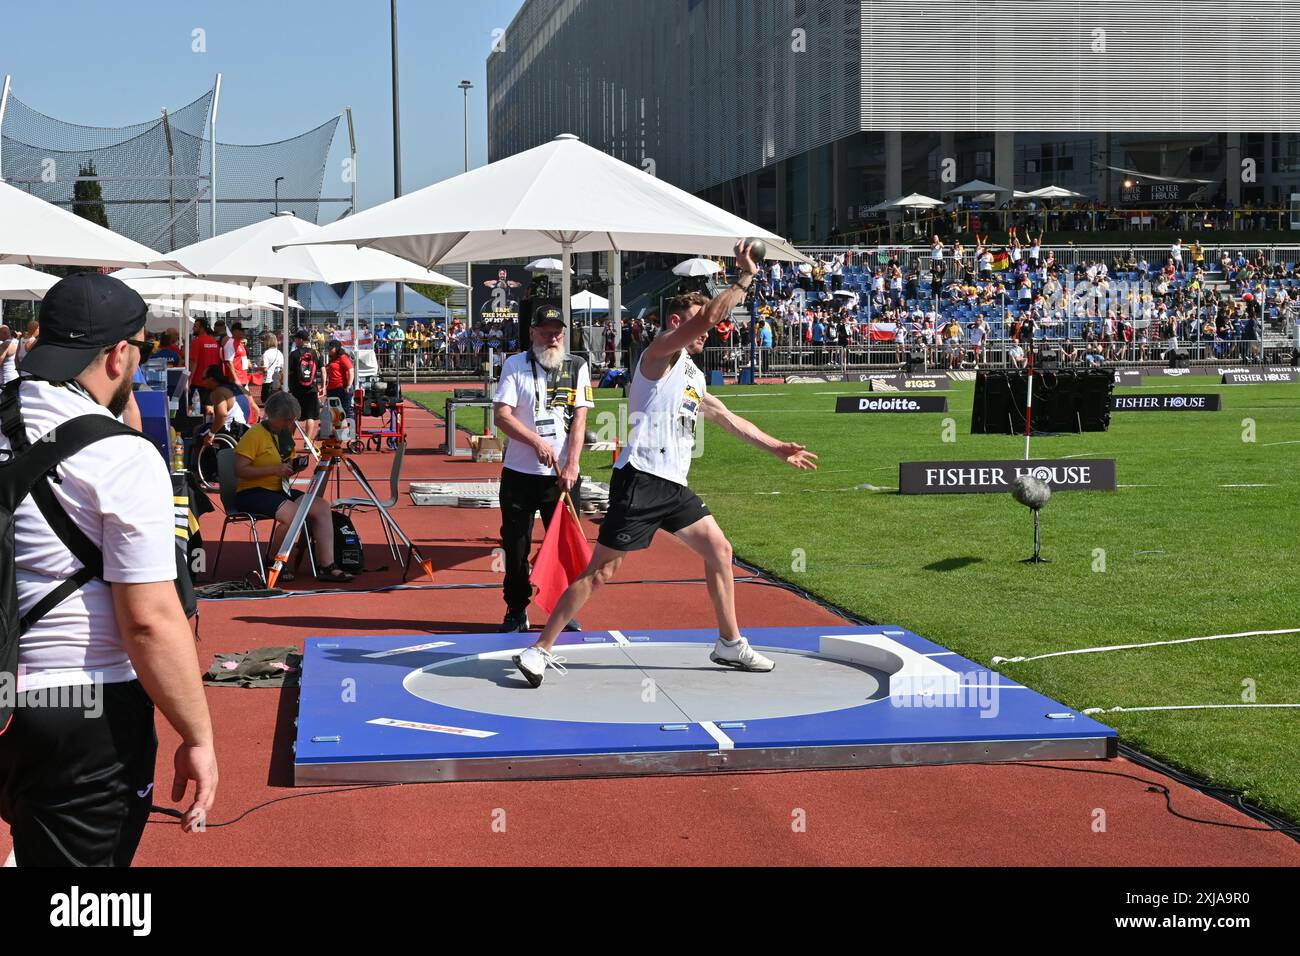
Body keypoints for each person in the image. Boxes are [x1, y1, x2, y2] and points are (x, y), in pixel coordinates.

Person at [513, 242, 818, 687]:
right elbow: (712, 316)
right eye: (699, 323)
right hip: (641, 479)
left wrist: (776, 448)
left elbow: (727, 418)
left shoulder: (692, 374)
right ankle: (540, 649)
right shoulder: (658, 354)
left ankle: (729, 643)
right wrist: (744, 278)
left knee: (720, 551)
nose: (709, 331)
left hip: (673, 485)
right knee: (603, 571)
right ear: (677, 322)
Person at [0, 272, 216, 865]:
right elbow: (148, 620)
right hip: (82, 703)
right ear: (119, 355)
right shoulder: (120, 455)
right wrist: (197, 735)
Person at [493, 304, 595, 633]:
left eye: (558, 332)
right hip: (520, 474)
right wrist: (536, 442)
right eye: (547, 332)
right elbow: (502, 415)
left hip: (561, 476)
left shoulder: (577, 365)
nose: (553, 338)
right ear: (532, 333)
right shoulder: (515, 364)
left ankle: (562, 609)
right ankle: (516, 608)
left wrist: (572, 464)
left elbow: (580, 419)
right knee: (516, 543)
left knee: (564, 545)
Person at [232, 391, 353, 583]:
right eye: (287, 420)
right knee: (295, 514)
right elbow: (239, 470)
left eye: (293, 420)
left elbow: (286, 464)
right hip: (252, 492)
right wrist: (274, 470)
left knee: (321, 506)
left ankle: (327, 565)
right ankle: (273, 560)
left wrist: (292, 468)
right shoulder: (254, 435)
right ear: (274, 417)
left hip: (280, 489)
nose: (290, 425)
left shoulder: (285, 434)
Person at [287, 329, 323, 447]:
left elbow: (288, 371)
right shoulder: (315, 353)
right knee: (310, 416)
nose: (295, 341)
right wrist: (323, 385)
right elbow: (322, 370)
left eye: (296, 339)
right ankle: (307, 442)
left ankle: (289, 441)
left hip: (297, 389)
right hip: (311, 388)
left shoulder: (294, 354)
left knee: (294, 415)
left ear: (301, 340)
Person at [324, 339, 354, 420]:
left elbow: (351, 370)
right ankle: (337, 430)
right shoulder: (333, 359)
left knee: (345, 411)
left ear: (336, 348)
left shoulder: (343, 357)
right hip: (332, 389)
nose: (329, 350)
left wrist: (349, 385)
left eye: (331, 349)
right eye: (328, 349)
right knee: (333, 412)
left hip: (341, 389)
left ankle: (350, 430)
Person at [259, 332, 284, 406]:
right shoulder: (280, 353)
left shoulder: (266, 353)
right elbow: (282, 368)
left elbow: (265, 369)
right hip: (277, 382)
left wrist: (256, 368)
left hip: (268, 381)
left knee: (266, 402)